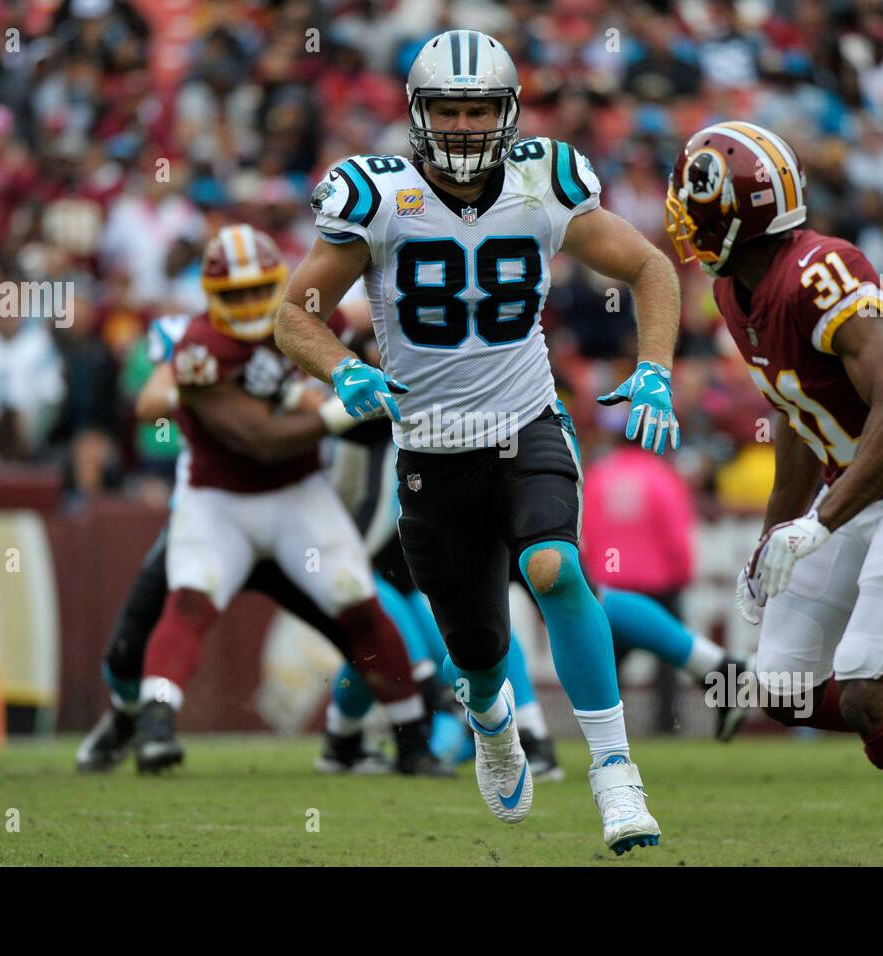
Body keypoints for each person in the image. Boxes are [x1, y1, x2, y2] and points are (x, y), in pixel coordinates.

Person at [276, 31, 681, 854]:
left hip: (525, 421)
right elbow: (293, 313)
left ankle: (615, 776)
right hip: (429, 449)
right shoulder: (377, 195)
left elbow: (652, 268)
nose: (464, 127)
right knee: (479, 653)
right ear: (420, 115)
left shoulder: (543, 182)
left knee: (554, 566)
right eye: (450, 110)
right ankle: (493, 724)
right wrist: (343, 372)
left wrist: (658, 370)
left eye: (479, 110)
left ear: (507, 113)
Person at [669, 121, 883, 865]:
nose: (683, 214)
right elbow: (794, 415)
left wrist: (819, 526)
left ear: (735, 209)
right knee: (778, 691)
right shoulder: (733, 290)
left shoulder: (823, 271)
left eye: (695, 198)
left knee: (870, 695)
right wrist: (775, 533)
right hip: (853, 493)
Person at [121, 224, 443, 775]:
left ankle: (413, 738)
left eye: (257, 289)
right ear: (211, 295)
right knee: (190, 600)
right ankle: (155, 727)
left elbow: (363, 339)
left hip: (297, 495)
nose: (249, 304)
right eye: (235, 293)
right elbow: (260, 440)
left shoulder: (309, 319)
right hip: (219, 500)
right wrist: (340, 410)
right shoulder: (200, 348)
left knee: (357, 603)